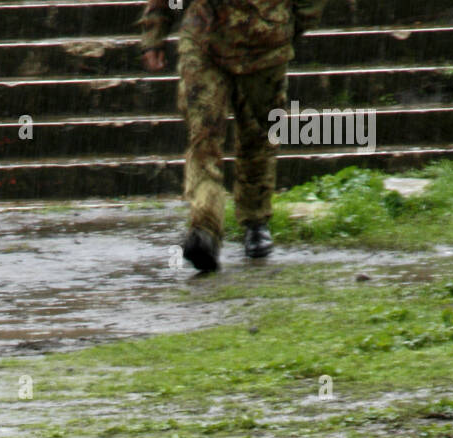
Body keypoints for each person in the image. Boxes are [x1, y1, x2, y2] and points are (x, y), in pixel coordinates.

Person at [139, 0, 325, 271]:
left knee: (259, 134)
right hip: (205, 40)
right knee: (203, 134)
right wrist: (155, 33)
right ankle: (205, 227)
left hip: (266, 44)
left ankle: (255, 220)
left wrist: (290, 24)